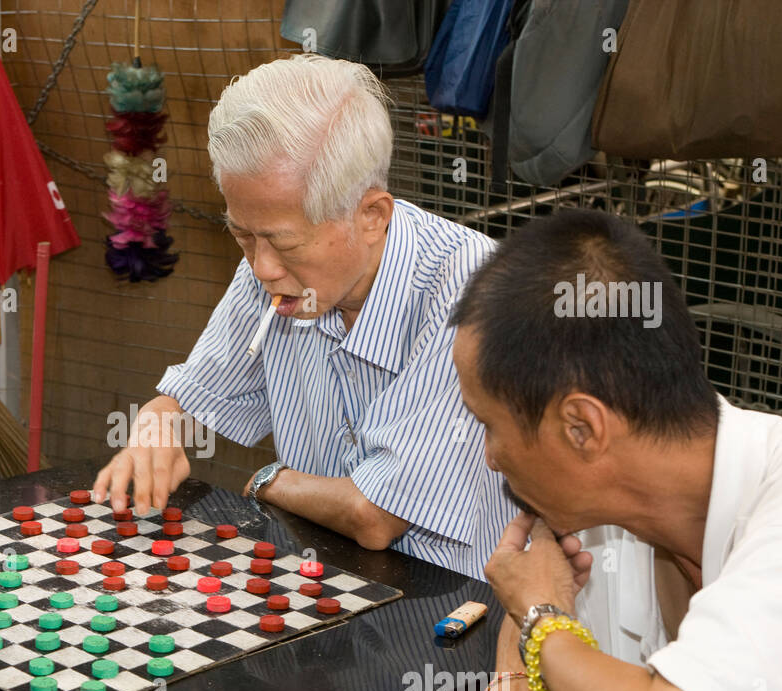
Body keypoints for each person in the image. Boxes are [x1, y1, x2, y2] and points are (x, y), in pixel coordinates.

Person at [449, 208, 782, 691]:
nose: (490, 457)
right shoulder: (609, 516)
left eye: (490, 424)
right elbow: (532, 589)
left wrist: (541, 620)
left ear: (581, 427)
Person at [93, 54, 511, 580]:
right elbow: (195, 394)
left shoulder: (472, 292)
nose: (261, 267)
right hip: (321, 586)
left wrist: (269, 479)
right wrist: (158, 419)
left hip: (453, 610)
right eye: (242, 235)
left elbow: (375, 514)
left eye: (283, 242)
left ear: (371, 216)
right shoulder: (275, 262)